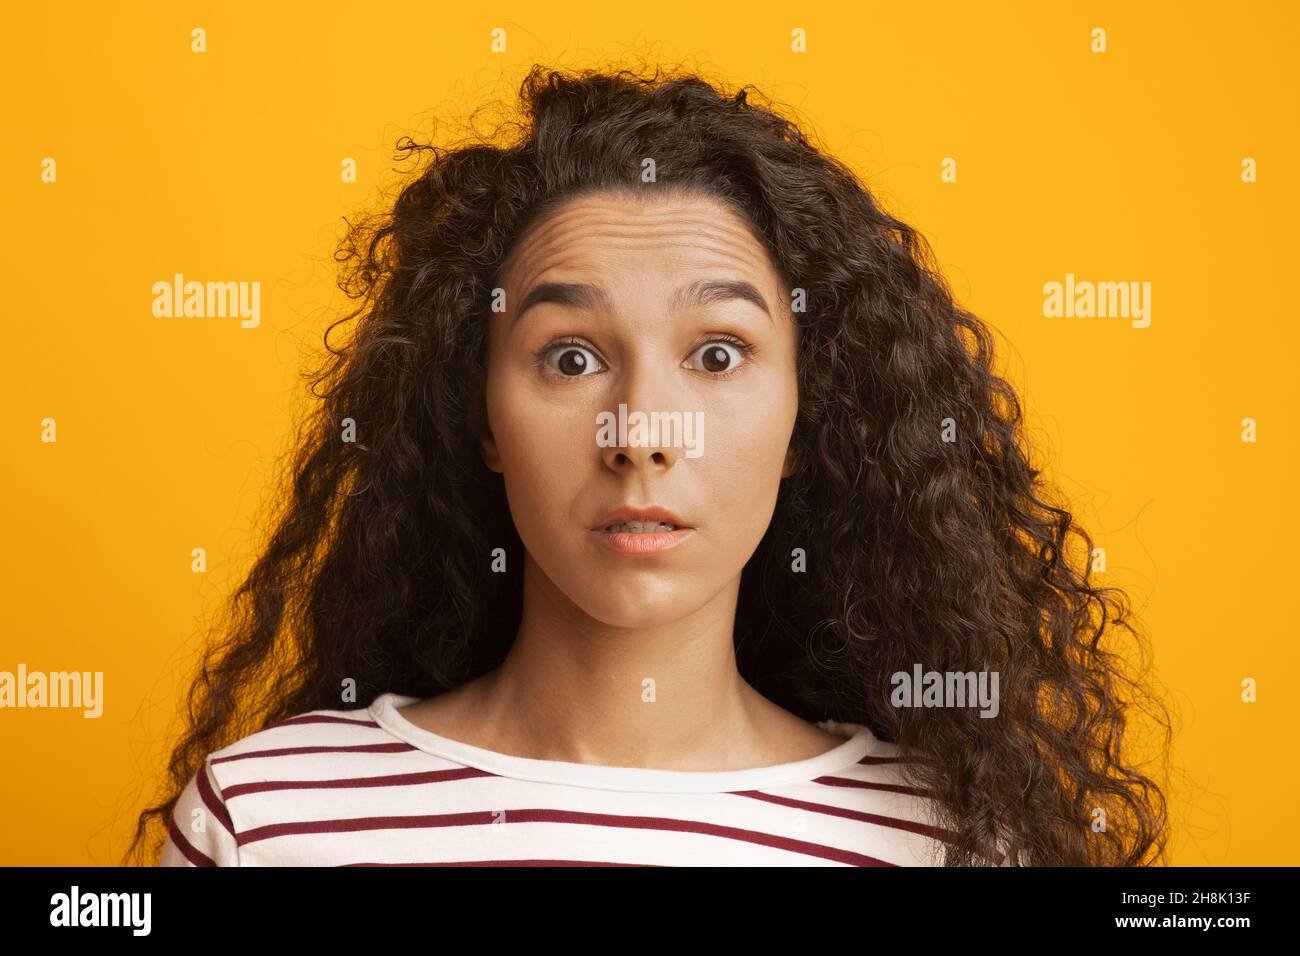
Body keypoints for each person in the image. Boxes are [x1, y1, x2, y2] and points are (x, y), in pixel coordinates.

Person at [131, 63, 1171, 867]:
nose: (640, 433)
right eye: (570, 357)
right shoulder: (265, 817)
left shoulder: (950, 842)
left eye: (717, 354)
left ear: (808, 418)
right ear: (481, 414)